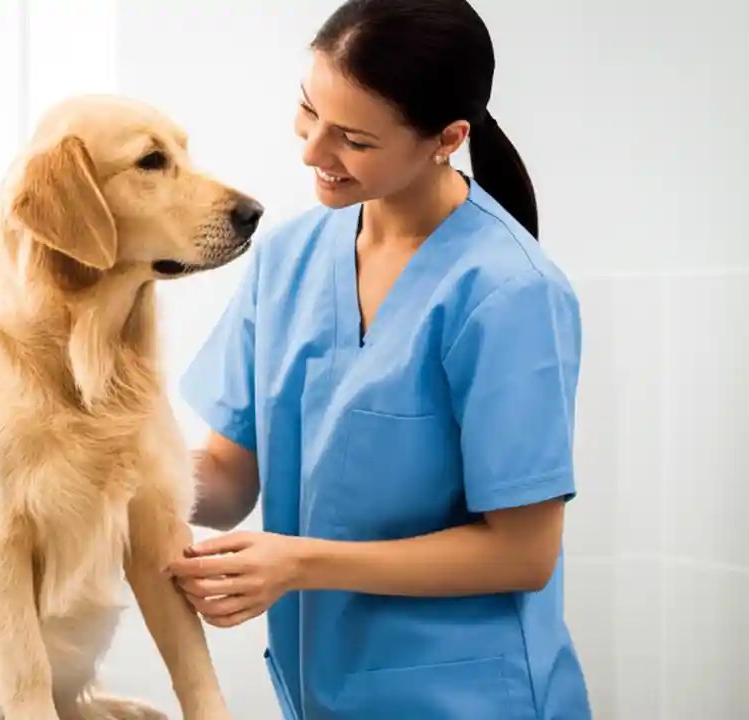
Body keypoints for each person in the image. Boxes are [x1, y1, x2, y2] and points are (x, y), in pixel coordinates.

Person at [165, 1, 592, 718]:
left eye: (354, 139)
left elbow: (522, 554)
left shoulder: (508, 290)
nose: (312, 151)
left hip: (471, 700)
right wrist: (104, 472)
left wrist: (297, 562)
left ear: (445, 139)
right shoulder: (288, 259)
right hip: (323, 696)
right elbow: (231, 483)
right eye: (309, 112)